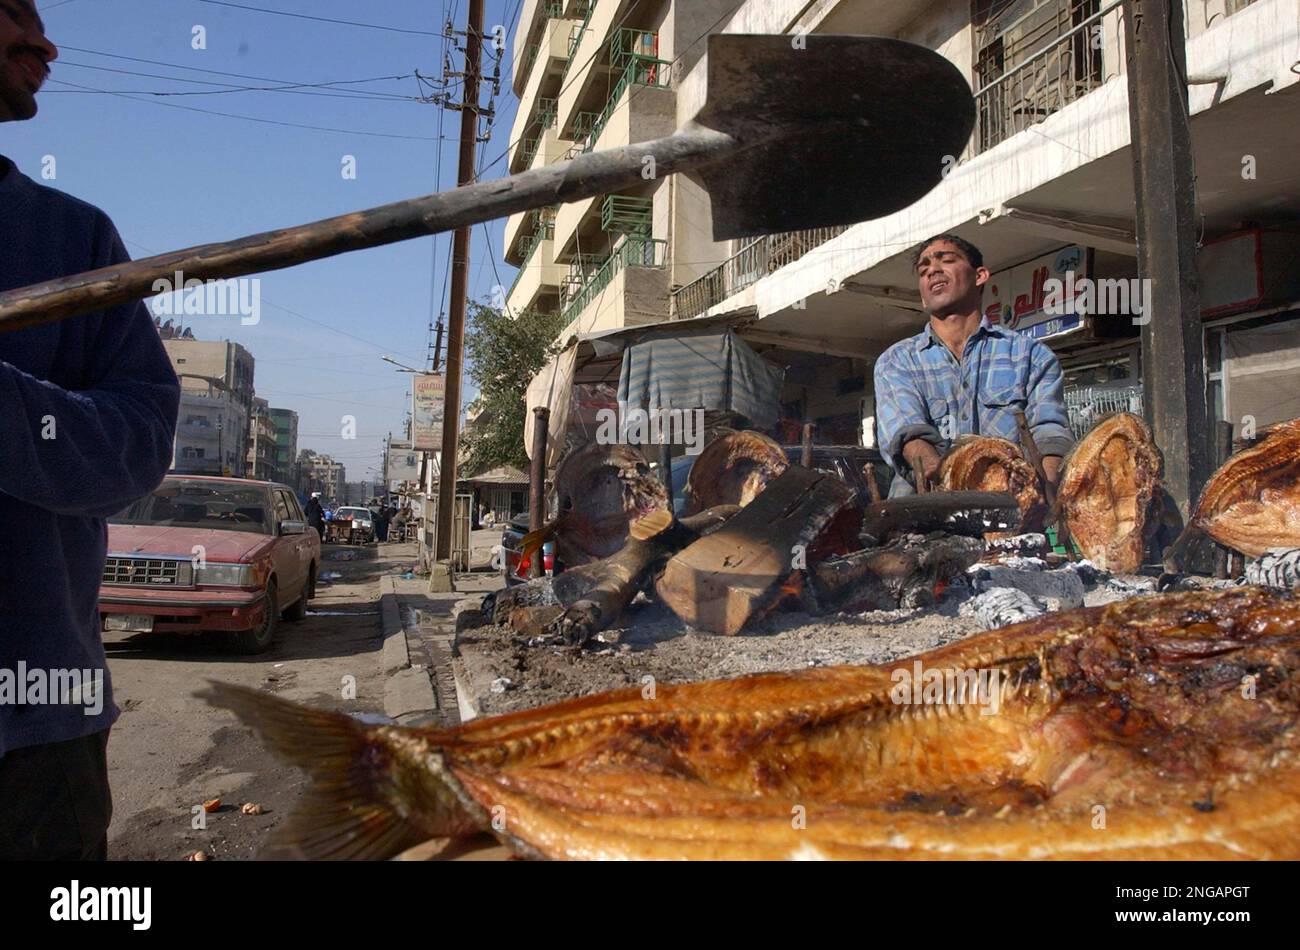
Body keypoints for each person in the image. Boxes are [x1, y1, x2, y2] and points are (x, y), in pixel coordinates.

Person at [0, 1, 180, 860]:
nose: (42, 43)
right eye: (7, 12)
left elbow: (140, 444)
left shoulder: (72, 239)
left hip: (35, 732)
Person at [873, 234, 1074, 497]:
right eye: (924, 270)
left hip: (1012, 514)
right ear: (923, 297)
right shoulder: (897, 360)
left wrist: (1042, 490)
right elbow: (906, 433)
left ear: (979, 276)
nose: (933, 270)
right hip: (924, 520)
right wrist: (945, 479)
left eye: (946, 260)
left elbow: (1049, 431)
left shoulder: (1031, 356)